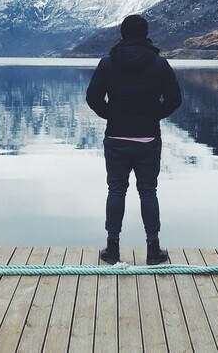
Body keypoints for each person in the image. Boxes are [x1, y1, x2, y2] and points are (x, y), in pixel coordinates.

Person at [86, 14, 182, 265]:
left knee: (116, 190)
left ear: (122, 34)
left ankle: (112, 249)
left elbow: (93, 98)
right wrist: (154, 115)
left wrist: (112, 115)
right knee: (148, 191)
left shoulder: (107, 63)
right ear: (146, 34)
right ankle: (153, 249)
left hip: (116, 136)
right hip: (147, 138)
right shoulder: (159, 64)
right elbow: (175, 99)